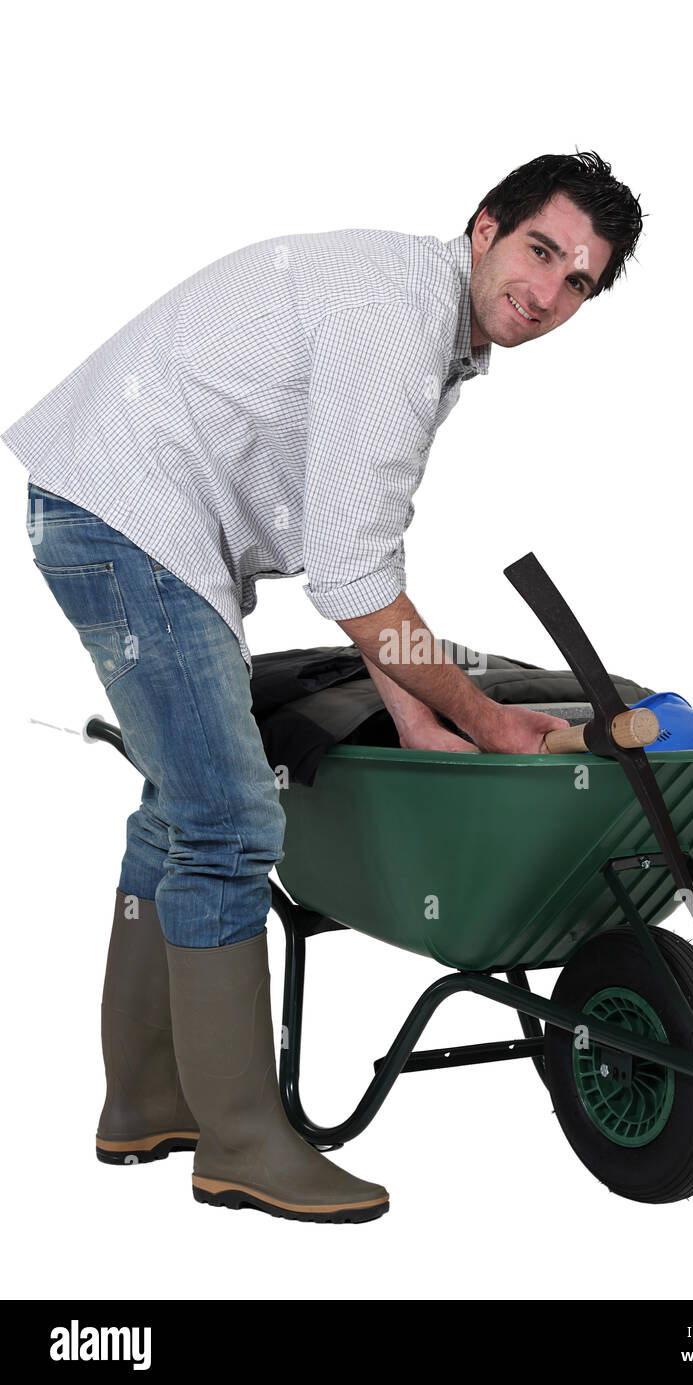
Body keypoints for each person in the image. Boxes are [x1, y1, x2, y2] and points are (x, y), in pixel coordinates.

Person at [4, 149, 644, 1225]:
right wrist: (485, 720)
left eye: (577, 281)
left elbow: (362, 553)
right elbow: (352, 577)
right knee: (229, 821)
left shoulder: (427, 320)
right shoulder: (395, 320)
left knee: (180, 809)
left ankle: (146, 1101)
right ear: (485, 225)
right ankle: (242, 1144)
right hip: (128, 516)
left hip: (134, 513)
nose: (547, 293)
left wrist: (413, 712)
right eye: (541, 251)